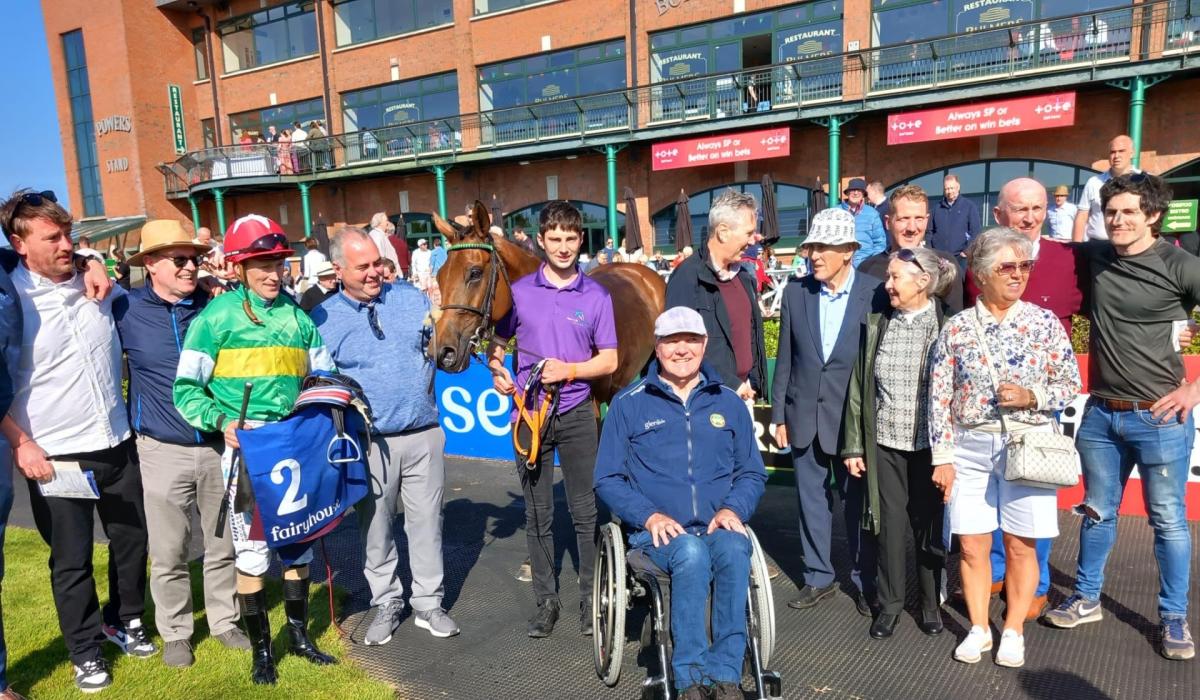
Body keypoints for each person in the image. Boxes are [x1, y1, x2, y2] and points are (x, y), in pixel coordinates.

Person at [173, 214, 337, 685]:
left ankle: (300, 637)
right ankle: (262, 652)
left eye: (278, 263)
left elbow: (322, 379)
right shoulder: (215, 318)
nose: (272, 273)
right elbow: (185, 390)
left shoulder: (298, 318)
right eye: (261, 264)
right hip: (248, 451)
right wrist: (221, 421)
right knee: (252, 554)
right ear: (240, 267)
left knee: (299, 546)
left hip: (295, 445)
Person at [0, 189, 153, 693]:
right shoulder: (9, 300)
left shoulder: (95, 283)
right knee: (72, 560)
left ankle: (124, 619)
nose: (67, 244)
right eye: (53, 237)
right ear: (20, 245)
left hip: (115, 439)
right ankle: (84, 650)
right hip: (55, 452)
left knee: (132, 542)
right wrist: (21, 442)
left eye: (69, 234)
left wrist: (91, 258)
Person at [1045, 173, 1200, 661]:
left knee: (1168, 521)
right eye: (1111, 212)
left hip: (1160, 419)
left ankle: (1173, 618)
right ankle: (1086, 598)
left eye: (1129, 211)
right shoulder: (1096, 256)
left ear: (1153, 215)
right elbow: (1040, 251)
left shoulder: (1180, 264)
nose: (1117, 220)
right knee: (1096, 512)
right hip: (1100, 416)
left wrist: (1194, 389)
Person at [595, 307, 767, 700]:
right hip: (655, 538)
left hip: (715, 526)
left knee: (734, 547)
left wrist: (733, 510)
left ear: (704, 344)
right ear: (657, 347)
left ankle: (725, 675)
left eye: (690, 340)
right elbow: (607, 478)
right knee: (689, 552)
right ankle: (690, 677)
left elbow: (752, 473)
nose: (682, 349)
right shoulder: (629, 403)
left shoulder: (727, 402)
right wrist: (648, 515)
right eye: (672, 341)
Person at [929, 227, 1080, 668]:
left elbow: (1069, 384)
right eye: (1007, 267)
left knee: (1021, 545)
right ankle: (979, 628)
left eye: (1025, 266)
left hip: (1026, 443)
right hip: (970, 447)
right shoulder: (957, 328)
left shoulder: (1043, 322)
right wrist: (943, 457)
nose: (1019, 275)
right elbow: (938, 397)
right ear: (981, 273)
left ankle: (1012, 628)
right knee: (973, 545)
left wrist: (1032, 397)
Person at [113, 220, 249, 668]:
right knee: (170, 549)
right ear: (151, 264)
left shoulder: (214, 307)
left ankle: (225, 621)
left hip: (216, 444)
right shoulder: (124, 310)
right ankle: (175, 631)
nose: (190, 266)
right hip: (160, 449)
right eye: (179, 259)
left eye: (194, 258)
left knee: (221, 543)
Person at [313, 227, 459, 644]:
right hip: (368, 441)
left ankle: (429, 603)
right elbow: (318, 381)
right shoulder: (323, 318)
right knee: (376, 527)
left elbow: (439, 348)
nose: (375, 272)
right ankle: (387, 601)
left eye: (378, 262)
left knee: (428, 523)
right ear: (338, 270)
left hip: (424, 432)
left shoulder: (410, 299)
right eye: (364, 267)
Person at [486, 201, 618, 638]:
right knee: (537, 513)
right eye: (554, 239)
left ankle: (588, 599)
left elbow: (611, 360)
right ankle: (546, 601)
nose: (563, 247)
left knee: (585, 513)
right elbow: (498, 343)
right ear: (541, 241)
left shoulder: (596, 295)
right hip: (530, 414)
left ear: (581, 240)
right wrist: (498, 371)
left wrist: (572, 370)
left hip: (578, 411)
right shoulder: (521, 291)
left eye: (570, 238)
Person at [966, 178, 1082, 616]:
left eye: (1036, 208)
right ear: (999, 215)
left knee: (1034, 503)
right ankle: (995, 575)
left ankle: (1038, 585)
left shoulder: (1070, 259)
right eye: (1019, 209)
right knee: (990, 500)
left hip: (1038, 414)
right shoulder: (976, 263)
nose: (1030, 217)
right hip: (985, 417)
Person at [841, 246, 957, 640]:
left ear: (923, 282)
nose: (887, 285)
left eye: (895, 278)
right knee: (887, 527)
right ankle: (890, 606)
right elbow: (859, 387)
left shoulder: (948, 325)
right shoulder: (878, 323)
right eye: (888, 277)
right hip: (885, 444)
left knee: (928, 526)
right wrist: (854, 445)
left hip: (931, 448)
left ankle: (928, 605)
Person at [770, 208, 880, 614]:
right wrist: (779, 413)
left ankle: (862, 578)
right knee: (810, 501)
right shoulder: (797, 292)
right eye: (812, 247)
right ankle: (818, 577)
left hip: (851, 424)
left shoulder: (876, 292)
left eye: (824, 248)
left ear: (848, 251)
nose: (814, 255)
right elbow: (786, 358)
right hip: (802, 416)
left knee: (855, 505)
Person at [665, 189, 766, 401]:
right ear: (722, 232)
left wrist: (753, 382)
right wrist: (730, 383)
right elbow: (680, 348)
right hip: (706, 399)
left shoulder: (744, 276)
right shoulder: (687, 278)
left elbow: (752, 337)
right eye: (748, 233)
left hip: (745, 395)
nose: (753, 241)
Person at [858, 184, 964, 314]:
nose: (912, 228)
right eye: (904, 219)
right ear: (887, 222)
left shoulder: (945, 264)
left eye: (919, 219)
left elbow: (954, 318)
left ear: (927, 220)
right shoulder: (868, 269)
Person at [1073, 134, 1140, 241]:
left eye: (1121, 151)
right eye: (1113, 152)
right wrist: (1076, 246)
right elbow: (1082, 216)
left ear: (1132, 153)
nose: (1116, 156)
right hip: (1098, 246)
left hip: (1133, 245)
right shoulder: (1094, 182)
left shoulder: (1143, 181)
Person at [928, 174, 981, 266]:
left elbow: (976, 232)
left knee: (959, 280)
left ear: (958, 187)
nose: (949, 191)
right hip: (939, 259)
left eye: (952, 188)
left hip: (960, 259)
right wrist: (930, 252)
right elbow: (929, 232)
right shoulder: (936, 209)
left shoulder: (969, 206)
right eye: (946, 189)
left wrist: (966, 251)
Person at [840, 178, 886, 266]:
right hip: (840, 264)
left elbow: (880, 243)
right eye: (853, 190)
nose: (856, 193)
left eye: (859, 191)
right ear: (848, 193)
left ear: (863, 194)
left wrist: (871, 263)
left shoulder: (872, 213)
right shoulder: (835, 212)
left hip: (865, 265)